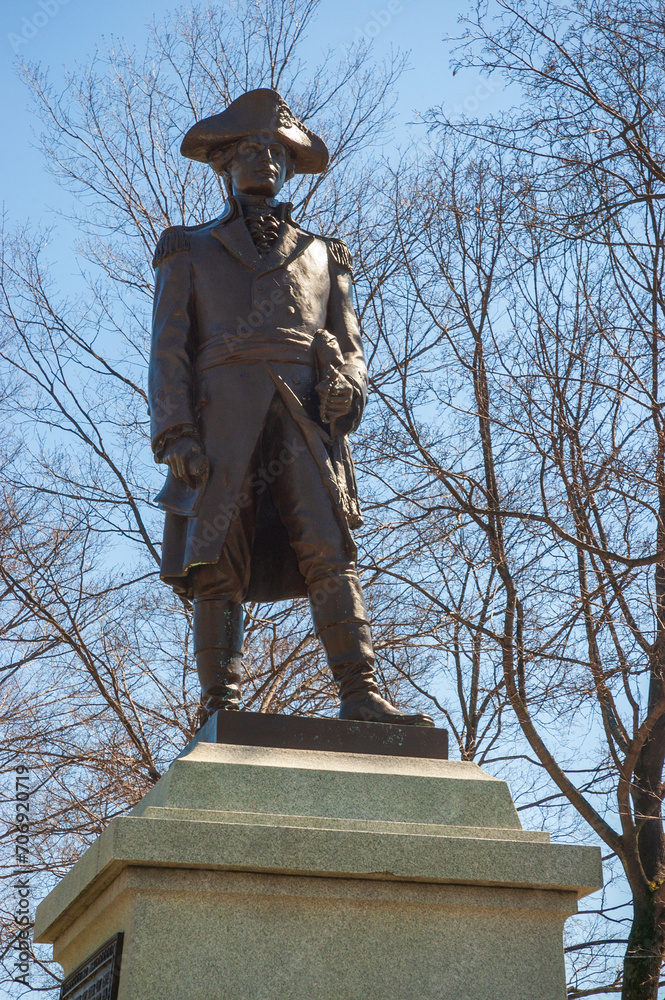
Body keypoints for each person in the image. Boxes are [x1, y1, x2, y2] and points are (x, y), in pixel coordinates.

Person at [149, 88, 433, 728]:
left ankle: (360, 690)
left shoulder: (325, 255)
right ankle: (219, 701)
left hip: (306, 420)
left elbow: (353, 350)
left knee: (329, 549)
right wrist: (176, 434)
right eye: (251, 149)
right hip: (222, 420)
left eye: (276, 150)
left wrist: (348, 392)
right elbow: (168, 351)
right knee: (217, 557)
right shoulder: (187, 249)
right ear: (224, 162)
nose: (266, 160)